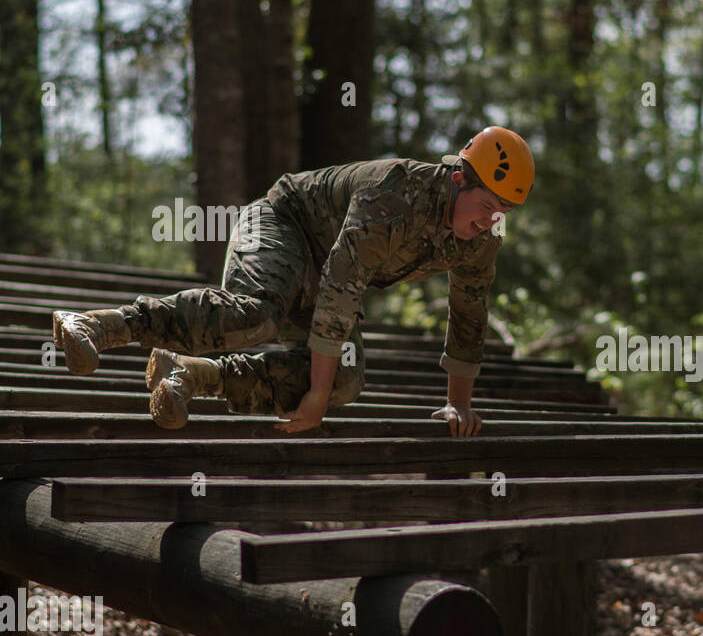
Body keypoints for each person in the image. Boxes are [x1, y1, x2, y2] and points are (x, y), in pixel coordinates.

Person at [50, 125, 534, 437]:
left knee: (345, 378)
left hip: (327, 271)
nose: (491, 221)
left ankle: (191, 376)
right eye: (488, 206)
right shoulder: (394, 194)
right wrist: (315, 397)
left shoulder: (479, 239)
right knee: (257, 314)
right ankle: (100, 325)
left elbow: (469, 317)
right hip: (284, 223)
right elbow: (340, 293)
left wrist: (458, 407)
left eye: (503, 212)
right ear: (457, 181)